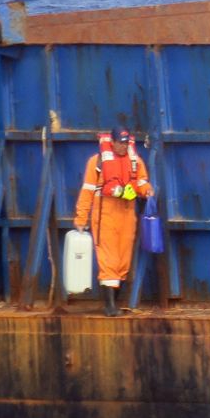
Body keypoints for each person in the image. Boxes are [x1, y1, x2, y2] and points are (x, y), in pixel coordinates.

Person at [73, 128, 153, 316]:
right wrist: (81, 218)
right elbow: (87, 191)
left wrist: (147, 190)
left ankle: (114, 304)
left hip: (127, 213)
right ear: (112, 141)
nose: (122, 146)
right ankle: (109, 307)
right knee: (108, 260)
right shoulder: (97, 162)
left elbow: (141, 182)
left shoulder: (135, 161)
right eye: (119, 142)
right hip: (105, 215)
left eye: (125, 142)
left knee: (123, 260)